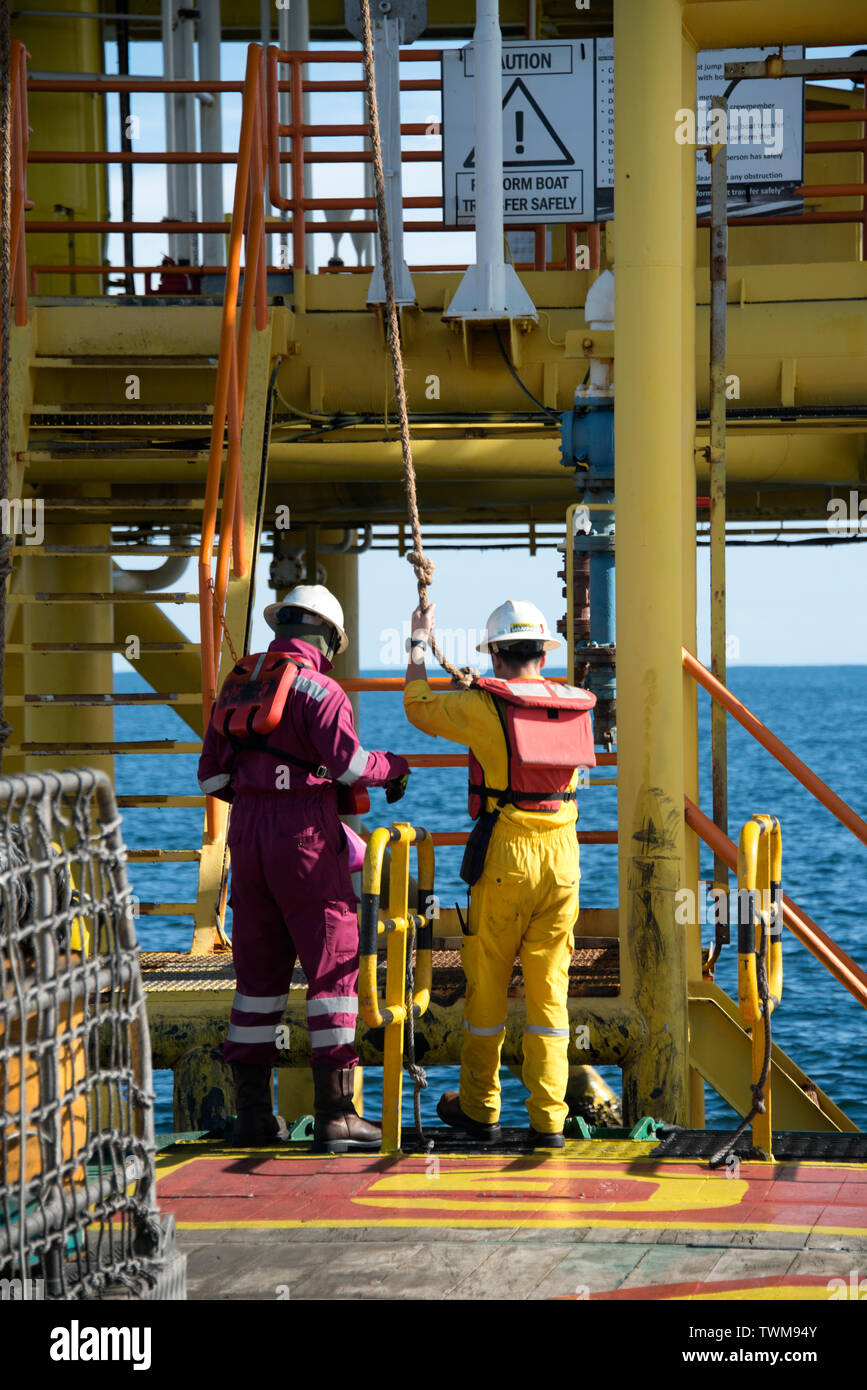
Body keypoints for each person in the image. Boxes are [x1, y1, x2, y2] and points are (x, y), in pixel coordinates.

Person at [198, 584, 410, 1151]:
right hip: (306, 842)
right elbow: (350, 766)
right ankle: (337, 1115)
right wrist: (395, 765)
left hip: (247, 840)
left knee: (258, 981)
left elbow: (212, 780)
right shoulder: (323, 690)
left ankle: (252, 1116)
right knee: (333, 974)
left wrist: (262, 794)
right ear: (329, 638)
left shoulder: (239, 685)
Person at [403, 598, 596, 1148]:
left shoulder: (483, 705)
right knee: (549, 991)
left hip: (507, 854)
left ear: (494, 654)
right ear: (542, 650)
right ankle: (549, 1121)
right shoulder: (573, 704)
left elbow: (417, 706)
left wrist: (419, 640)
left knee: (486, 983)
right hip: (565, 854)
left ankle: (481, 1108)